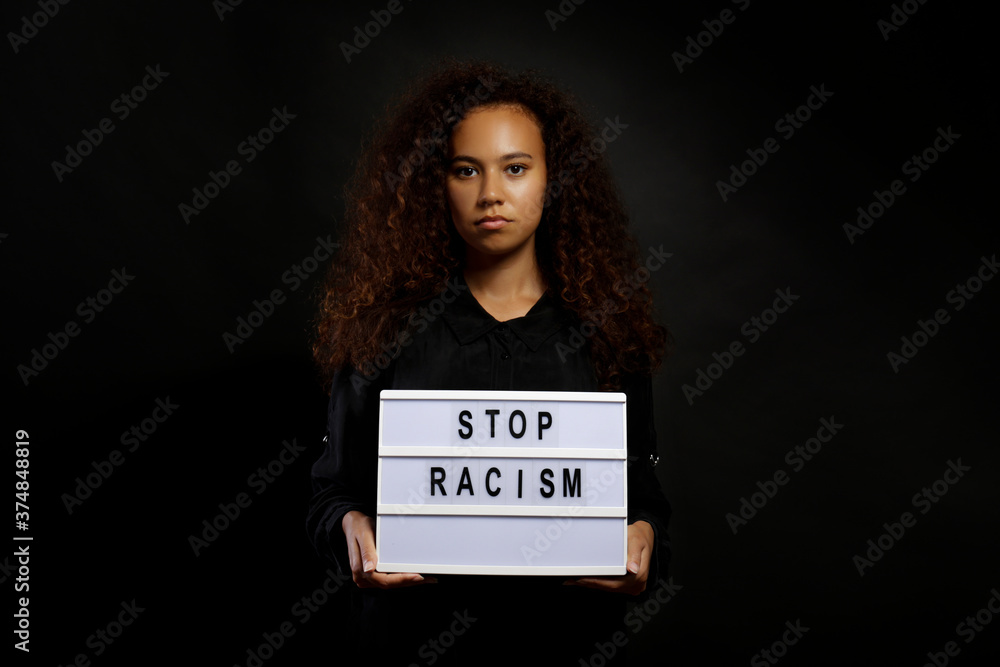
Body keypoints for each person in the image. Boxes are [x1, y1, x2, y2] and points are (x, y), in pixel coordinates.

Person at [307, 59, 672, 665]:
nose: (490, 194)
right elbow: (332, 491)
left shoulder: (608, 335)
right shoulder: (382, 332)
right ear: (437, 182)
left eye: (516, 168)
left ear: (555, 179)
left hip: (563, 643)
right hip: (407, 640)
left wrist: (645, 537)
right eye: (466, 169)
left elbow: (645, 497)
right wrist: (349, 529)